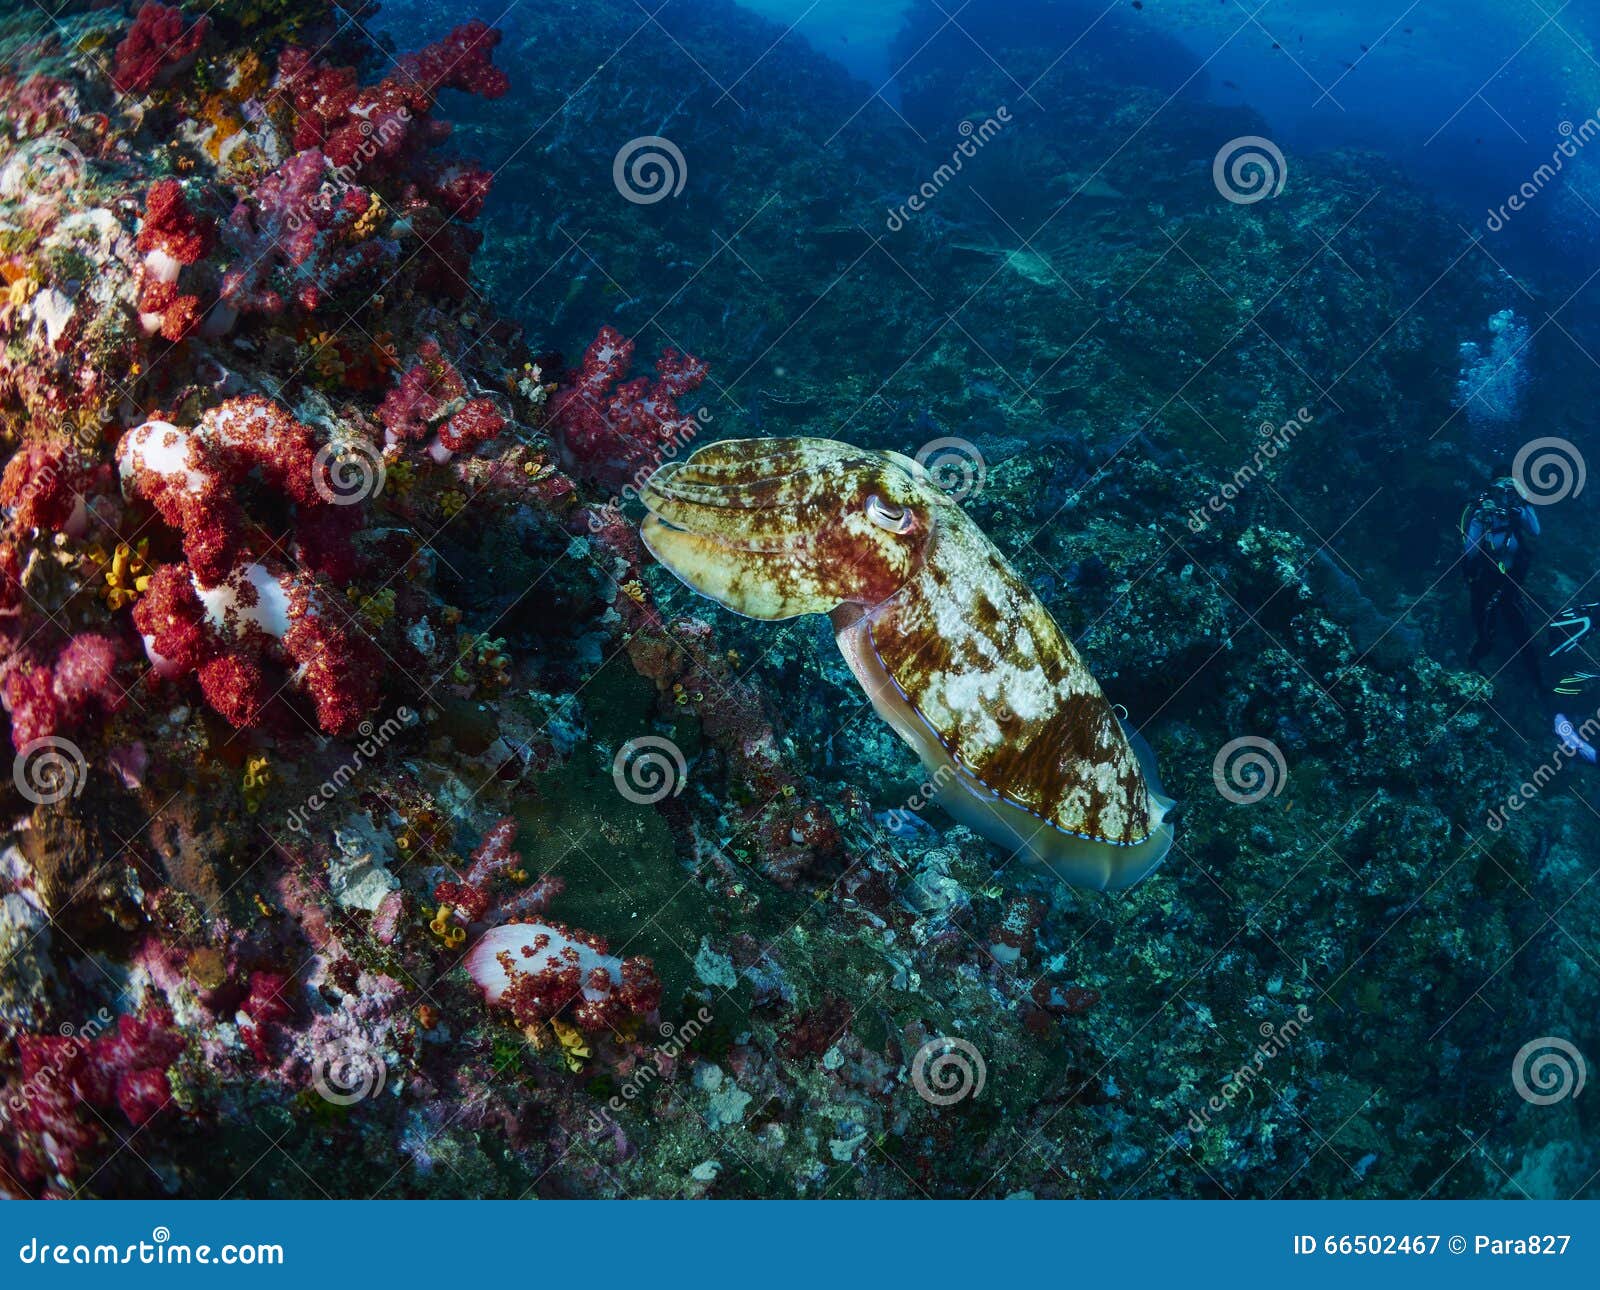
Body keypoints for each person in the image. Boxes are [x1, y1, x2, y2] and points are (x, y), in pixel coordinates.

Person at [1461, 465, 1541, 687]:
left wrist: (1524, 503)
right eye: (1499, 489)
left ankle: (1537, 680)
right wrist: (1481, 519)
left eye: (1509, 489)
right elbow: (1470, 552)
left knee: (1520, 630)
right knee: (1485, 630)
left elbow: (1535, 531)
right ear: (1491, 489)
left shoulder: (1517, 511)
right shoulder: (1482, 513)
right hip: (1485, 580)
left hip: (1510, 581)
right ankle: (1472, 665)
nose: (1503, 496)